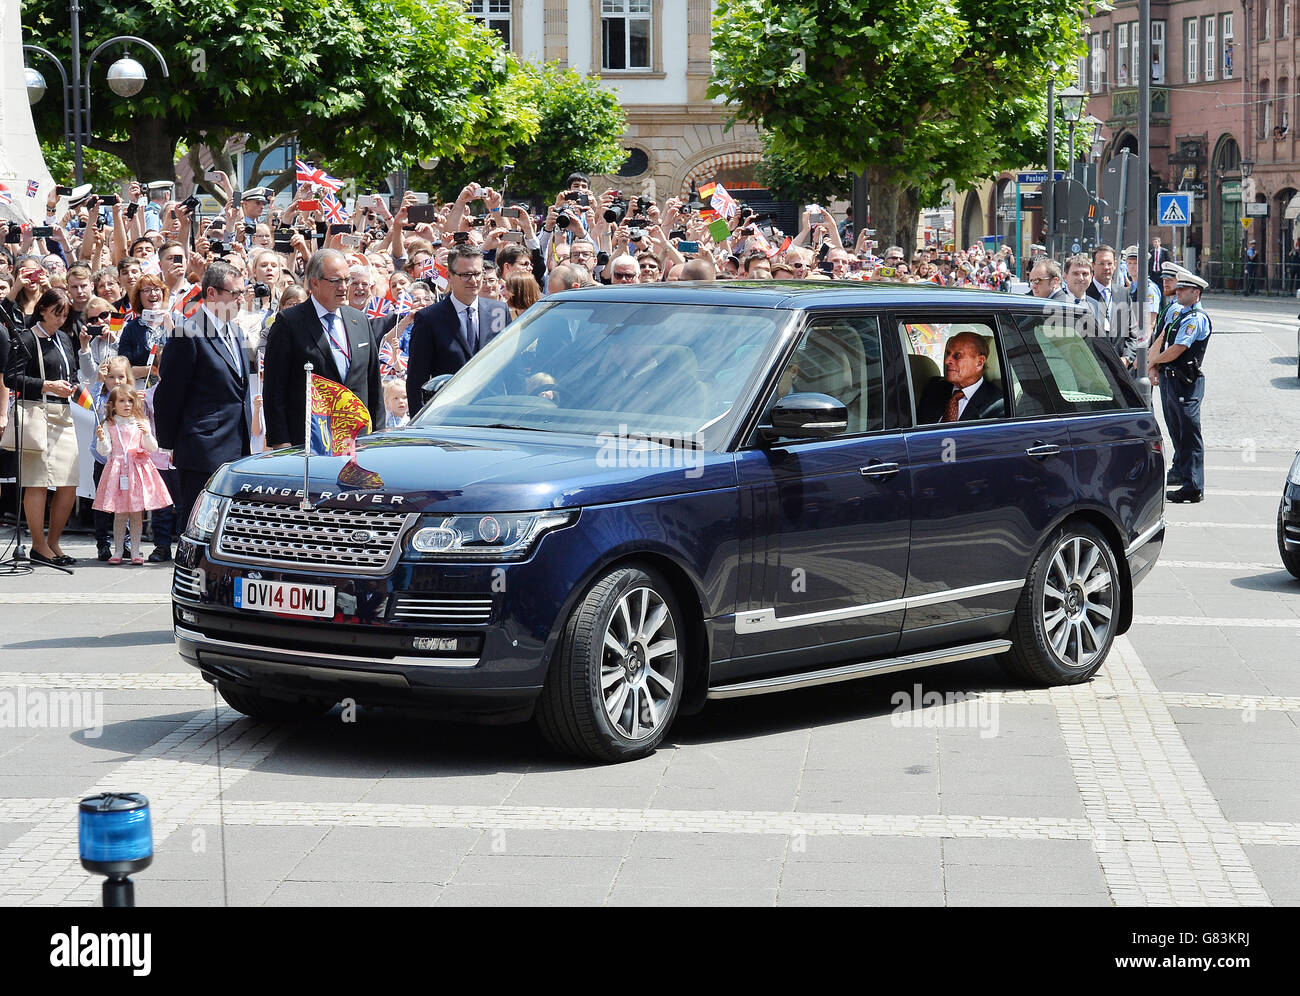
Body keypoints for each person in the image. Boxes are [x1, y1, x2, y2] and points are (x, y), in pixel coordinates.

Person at [153, 261, 253, 529]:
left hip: (236, 447)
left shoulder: (237, 332)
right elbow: (170, 394)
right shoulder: (188, 332)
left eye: (243, 293)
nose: (241, 300)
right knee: (199, 527)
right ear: (211, 294)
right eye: (235, 294)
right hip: (202, 450)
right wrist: (171, 444)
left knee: (229, 527)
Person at [263, 249, 384, 449]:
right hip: (310, 444)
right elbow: (274, 390)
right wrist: (281, 443)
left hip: (358, 443)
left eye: (347, 279)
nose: (344, 287)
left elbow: (373, 385)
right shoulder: (289, 323)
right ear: (314, 283)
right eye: (336, 281)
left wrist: (377, 437)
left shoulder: (359, 320)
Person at [3, 288, 82, 566]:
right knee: (37, 482)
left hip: (62, 413)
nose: (61, 319)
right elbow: (12, 378)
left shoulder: (64, 339)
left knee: (69, 482)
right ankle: (39, 545)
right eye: (56, 313)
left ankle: (53, 541)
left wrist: (73, 386)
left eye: (65, 314)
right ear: (43, 309)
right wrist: (48, 385)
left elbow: (71, 374)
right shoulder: (26, 337)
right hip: (37, 412)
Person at [404, 244, 510, 414]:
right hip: (448, 413)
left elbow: (509, 363)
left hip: (493, 411)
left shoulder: (498, 311)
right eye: (466, 275)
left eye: (477, 274)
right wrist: (419, 423)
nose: (474, 280)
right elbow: (417, 379)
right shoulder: (429, 318)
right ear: (449, 276)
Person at [1148, 268, 1211, 503]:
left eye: (1183, 289)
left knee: (1189, 434)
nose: (1178, 291)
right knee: (1178, 431)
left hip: (1186, 382)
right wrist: (1153, 365)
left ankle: (1193, 486)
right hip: (1172, 379)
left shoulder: (1195, 319)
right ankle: (1185, 478)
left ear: (1196, 293)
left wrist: (1153, 360)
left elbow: (1178, 349)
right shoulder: (1180, 314)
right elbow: (1162, 339)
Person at [92, 385, 171, 565]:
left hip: (137, 471)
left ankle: (135, 550)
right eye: (122, 401)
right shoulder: (109, 424)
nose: (127, 405)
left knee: (136, 513)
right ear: (112, 405)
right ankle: (119, 550)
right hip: (117, 470)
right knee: (120, 513)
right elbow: (105, 451)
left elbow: (151, 447)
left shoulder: (139, 422)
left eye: (130, 401)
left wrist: (148, 433)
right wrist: (102, 439)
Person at [915, 331, 1002, 424]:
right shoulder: (934, 388)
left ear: (979, 362)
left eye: (957, 356)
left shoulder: (997, 404)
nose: (947, 361)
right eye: (948, 354)